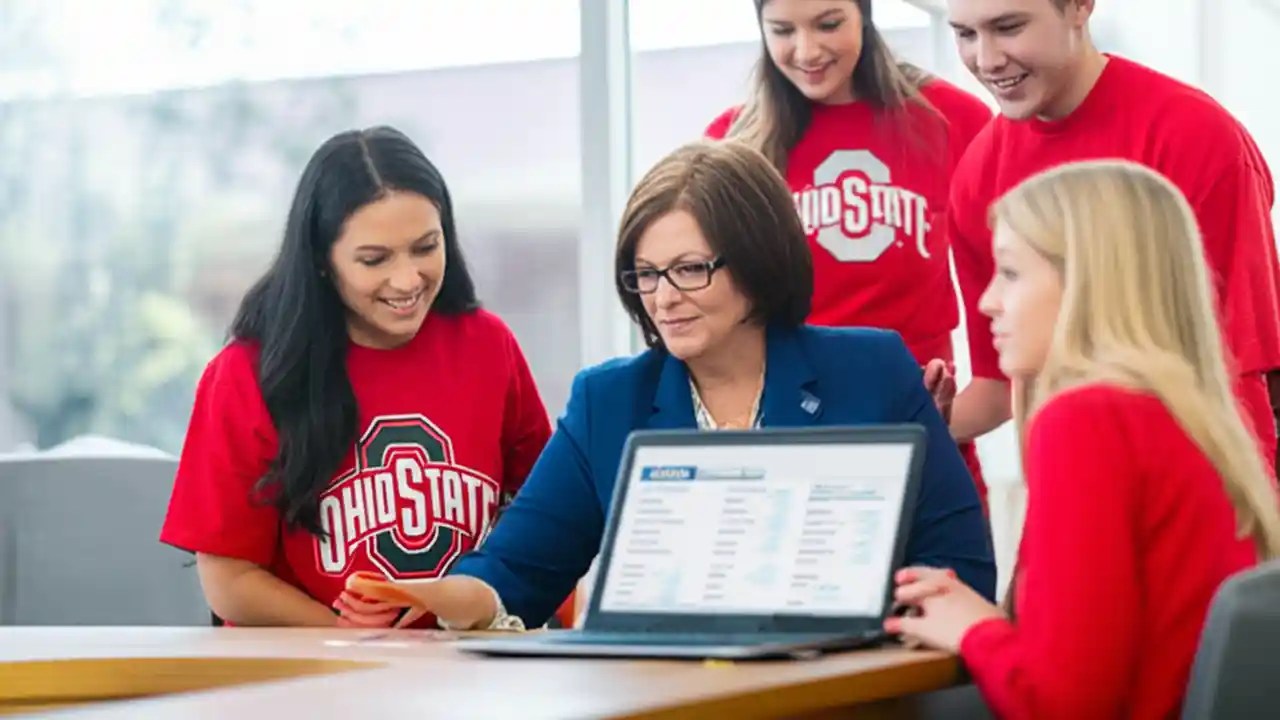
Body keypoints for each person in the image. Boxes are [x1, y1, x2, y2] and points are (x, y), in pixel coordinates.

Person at [332, 140, 996, 631]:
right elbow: (517, 570)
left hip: (846, 690)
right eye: (645, 275)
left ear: (759, 260)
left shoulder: (873, 370)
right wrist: (448, 594)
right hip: (665, 694)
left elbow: (960, 569)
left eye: (689, 269)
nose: (663, 298)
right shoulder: (608, 400)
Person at [887, 160, 1280, 719]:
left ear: (1090, 282)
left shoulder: (1087, 420)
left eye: (1011, 273)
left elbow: (1065, 705)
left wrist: (973, 629)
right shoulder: (1191, 413)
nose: (987, 301)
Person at [159, 126, 552, 628]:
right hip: (313, 682)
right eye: (374, 259)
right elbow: (229, 580)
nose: (408, 280)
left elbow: (544, 518)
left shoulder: (488, 345)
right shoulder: (245, 375)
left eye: (426, 247)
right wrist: (345, 638)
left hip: (464, 674)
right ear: (323, 260)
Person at [944, 0, 1280, 473]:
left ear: (1080, 7)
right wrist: (895, 431)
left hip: (1198, 482)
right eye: (965, 35)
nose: (986, 59)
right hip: (1066, 481)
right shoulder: (979, 172)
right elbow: (998, 388)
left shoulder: (1194, 137)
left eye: (1008, 27)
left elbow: (1238, 366)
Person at [705, 0, 995, 507]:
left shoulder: (954, 119)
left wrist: (936, 427)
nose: (807, 51)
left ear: (864, 14)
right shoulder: (733, 144)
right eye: (782, 31)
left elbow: (1010, 317)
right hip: (789, 457)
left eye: (829, 24)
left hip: (924, 448)